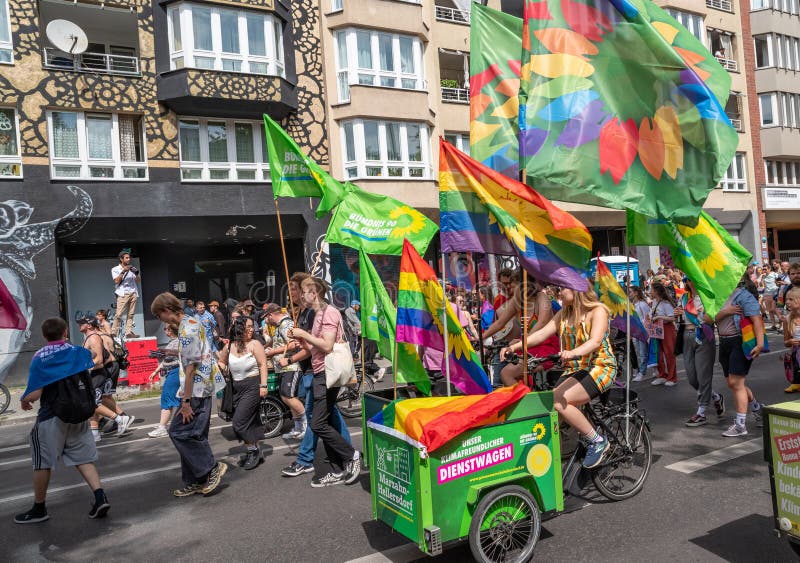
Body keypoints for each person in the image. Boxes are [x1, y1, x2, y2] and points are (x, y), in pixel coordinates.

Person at [504, 287, 616, 468]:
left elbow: (595, 341)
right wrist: (516, 347)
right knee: (550, 410)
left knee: (557, 400)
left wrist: (572, 352)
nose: (557, 293)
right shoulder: (564, 314)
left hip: (599, 367)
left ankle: (597, 440)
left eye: (561, 288)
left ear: (576, 288)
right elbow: (540, 334)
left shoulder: (598, 311)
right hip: (574, 369)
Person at [15, 317, 110, 524]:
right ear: (65, 332)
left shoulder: (41, 357)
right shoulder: (76, 352)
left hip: (52, 416)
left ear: (44, 335)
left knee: (42, 462)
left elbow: (36, 393)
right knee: (83, 458)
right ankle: (99, 496)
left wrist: (24, 400)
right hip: (79, 414)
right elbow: (93, 355)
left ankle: (39, 509)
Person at [150, 292, 227, 496]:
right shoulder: (191, 322)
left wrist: (185, 401)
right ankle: (196, 478)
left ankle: (210, 467)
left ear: (166, 311)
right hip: (201, 386)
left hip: (197, 389)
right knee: (194, 433)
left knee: (178, 432)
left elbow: (191, 367)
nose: (161, 320)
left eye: (159, 316)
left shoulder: (188, 328)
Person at [289, 276, 361, 487]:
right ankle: (337, 469)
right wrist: (302, 341)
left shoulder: (329, 312)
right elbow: (316, 347)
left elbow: (328, 346)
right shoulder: (318, 314)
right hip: (320, 371)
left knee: (317, 422)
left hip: (326, 374)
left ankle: (351, 456)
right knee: (326, 421)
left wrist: (304, 333)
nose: (301, 295)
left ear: (314, 293)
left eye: (304, 291)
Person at [715, 275, 765, 437]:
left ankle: (740, 425)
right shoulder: (717, 296)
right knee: (733, 383)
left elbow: (756, 319)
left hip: (740, 341)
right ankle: (758, 409)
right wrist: (725, 312)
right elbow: (708, 319)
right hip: (724, 343)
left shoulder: (743, 295)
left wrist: (760, 343)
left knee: (737, 383)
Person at [217, 317, 268, 470]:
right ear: (239, 329)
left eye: (252, 327)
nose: (252, 329)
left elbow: (263, 364)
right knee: (249, 422)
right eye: (248, 327)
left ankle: (254, 451)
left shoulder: (255, 344)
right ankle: (252, 451)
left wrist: (263, 385)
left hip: (252, 386)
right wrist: (222, 368)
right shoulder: (229, 346)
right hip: (236, 388)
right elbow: (222, 362)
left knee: (239, 422)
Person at [676, 279, 725, 426]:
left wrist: (693, 314)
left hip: (703, 336)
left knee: (704, 376)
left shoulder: (707, 297)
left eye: (693, 278)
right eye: (689, 279)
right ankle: (716, 397)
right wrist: (678, 314)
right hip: (687, 337)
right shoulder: (684, 298)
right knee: (692, 378)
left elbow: (710, 319)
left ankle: (701, 412)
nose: (691, 282)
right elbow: (678, 319)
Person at [78, 316, 133, 441]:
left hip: (97, 374)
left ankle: (120, 418)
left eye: (82, 323)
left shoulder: (94, 338)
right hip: (93, 374)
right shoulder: (89, 338)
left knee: (93, 403)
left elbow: (99, 361)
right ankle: (95, 434)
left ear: (89, 325)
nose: (79, 325)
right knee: (93, 403)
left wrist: (83, 368)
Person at [498, 277, 559, 387]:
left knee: (506, 373)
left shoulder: (541, 297)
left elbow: (541, 325)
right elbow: (502, 322)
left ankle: (524, 401)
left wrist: (520, 341)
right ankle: (526, 397)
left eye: (514, 286)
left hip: (545, 347)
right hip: (530, 346)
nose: (509, 289)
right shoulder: (521, 303)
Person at [263, 303, 307, 440]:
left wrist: (273, 352)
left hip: (291, 367)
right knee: (286, 397)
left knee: (288, 397)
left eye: (266, 317)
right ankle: (298, 427)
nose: (266, 320)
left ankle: (306, 425)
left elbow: (294, 344)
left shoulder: (286, 324)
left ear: (271, 315)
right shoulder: (278, 327)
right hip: (282, 368)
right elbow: (277, 343)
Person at [147, 323, 181, 438]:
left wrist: (160, 353)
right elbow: (165, 361)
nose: (165, 331)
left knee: (167, 399)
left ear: (170, 331)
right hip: (172, 372)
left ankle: (162, 427)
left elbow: (176, 355)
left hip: (175, 372)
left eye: (165, 329)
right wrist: (155, 371)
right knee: (177, 399)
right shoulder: (172, 342)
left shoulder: (177, 342)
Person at [649, 283, 677, 386]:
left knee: (669, 353)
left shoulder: (666, 303)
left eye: (651, 289)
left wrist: (659, 317)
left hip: (667, 329)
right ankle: (662, 375)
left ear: (656, 291)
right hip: (657, 328)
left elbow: (673, 318)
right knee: (658, 353)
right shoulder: (655, 302)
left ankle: (672, 377)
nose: (650, 291)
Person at [111, 250, 140, 338]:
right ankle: (113, 332)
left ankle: (128, 332)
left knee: (131, 314)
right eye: (126, 258)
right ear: (121, 259)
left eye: (129, 257)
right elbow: (116, 281)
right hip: (123, 293)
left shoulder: (132, 268)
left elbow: (138, 281)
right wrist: (123, 271)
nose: (128, 259)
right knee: (119, 314)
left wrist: (136, 273)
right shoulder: (115, 269)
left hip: (133, 292)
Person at [629, 286, 651, 382]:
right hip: (636, 332)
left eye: (631, 292)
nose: (629, 294)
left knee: (643, 352)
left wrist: (644, 329)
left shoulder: (642, 304)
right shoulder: (633, 304)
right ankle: (645, 370)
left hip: (642, 331)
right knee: (639, 352)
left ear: (636, 293)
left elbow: (647, 318)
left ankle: (642, 372)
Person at [782, 287, 800, 393]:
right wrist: (790, 342)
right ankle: (796, 383)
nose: (787, 302)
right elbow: (786, 342)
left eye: (791, 299)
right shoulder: (787, 319)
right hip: (796, 351)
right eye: (786, 299)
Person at [763, 262, 781, 331]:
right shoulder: (763, 276)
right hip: (766, 294)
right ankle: (773, 325)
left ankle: (781, 323)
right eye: (763, 269)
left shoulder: (774, 274)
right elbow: (762, 285)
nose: (764, 270)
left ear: (769, 269)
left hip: (774, 294)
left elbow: (780, 279)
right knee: (770, 311)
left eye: (765, 269)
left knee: (774, 309)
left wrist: (778, 286)